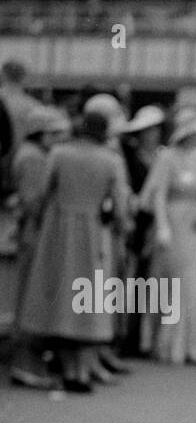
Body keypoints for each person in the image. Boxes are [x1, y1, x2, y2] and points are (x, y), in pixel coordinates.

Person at [17, 109, 130, 393]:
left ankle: (68, 367)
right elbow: (119, 204)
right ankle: (81, 370)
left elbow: (42, 195)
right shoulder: (111, 160)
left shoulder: (59, 154)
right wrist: (120, 227)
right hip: (94, 232)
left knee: (60, 296)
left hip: (59, 231)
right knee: (88, 298)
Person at [141, 112, 196, 365]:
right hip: (175, 220)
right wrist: (162, 226)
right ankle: (169, 343)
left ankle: (192, 342)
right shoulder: (167, 157)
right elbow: (158, 193)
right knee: (175, 282)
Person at [8, 105, 72, 390]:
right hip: (35, 236)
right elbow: (34, 203)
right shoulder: (33, 159)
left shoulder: (34, 155)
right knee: (32, 302)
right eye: (55, 134)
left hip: (33, 234)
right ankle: (24, 363)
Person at [118, 104, 166, 359]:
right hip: (135, 224)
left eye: (155, 129)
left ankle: (141, 336)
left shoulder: (161, 157)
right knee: (132, 281)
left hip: (154, 224)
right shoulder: (130, 157)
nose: (153, 134)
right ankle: (127, 336)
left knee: (149, 284)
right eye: (148, 130)